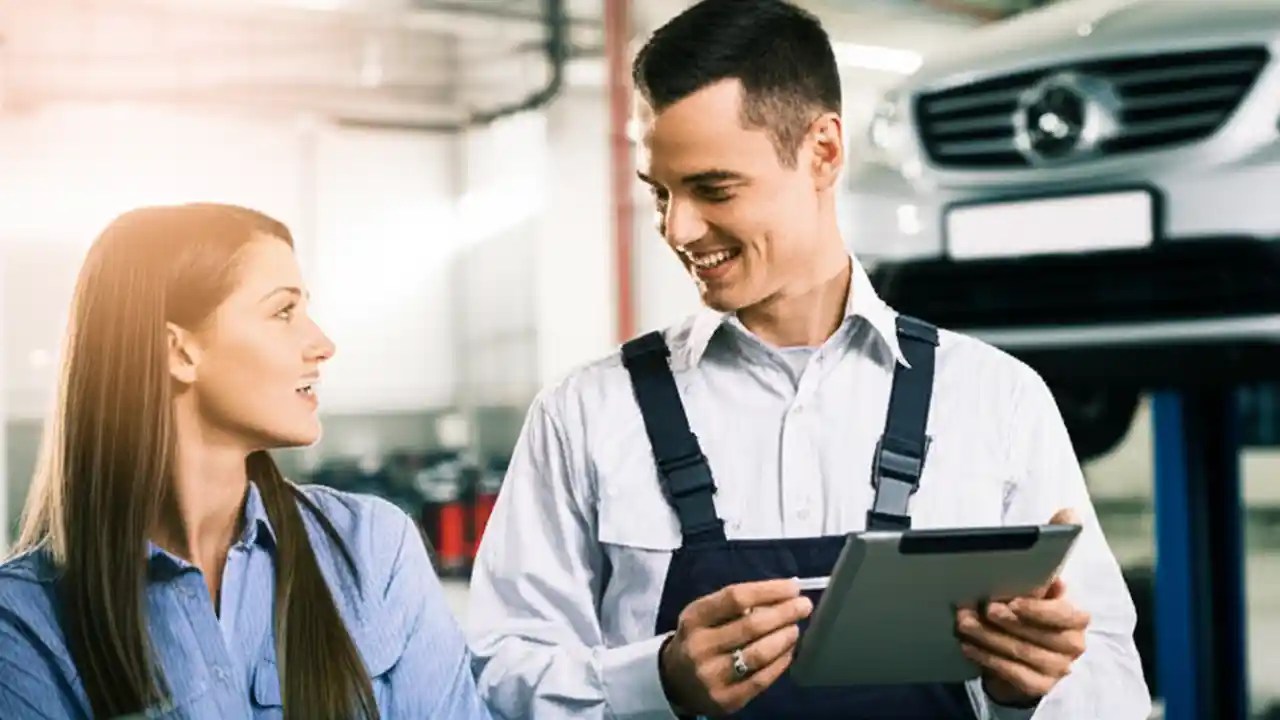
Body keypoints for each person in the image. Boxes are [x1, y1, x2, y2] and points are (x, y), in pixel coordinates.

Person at [466, 1, 1150, 718]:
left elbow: (1110, 684)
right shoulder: (586, 415)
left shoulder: (996, 401)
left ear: (823, 150)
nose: (679, 227)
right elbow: (495, 678)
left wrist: (1026, 688)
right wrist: (657, 680)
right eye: (660, 192)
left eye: (713, 188)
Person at [0, 204, 492, 720]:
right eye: (283, 312)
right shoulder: (26, 625)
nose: (322, 344)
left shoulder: (374, 550)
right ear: (180, 353)